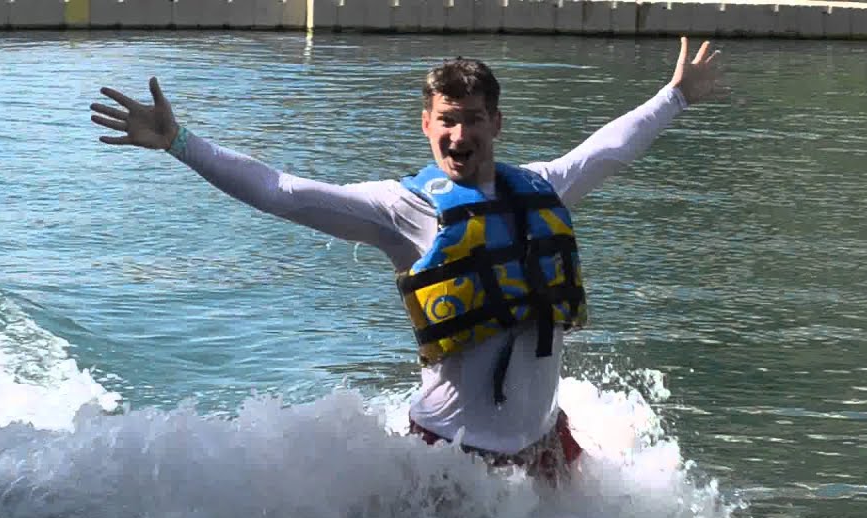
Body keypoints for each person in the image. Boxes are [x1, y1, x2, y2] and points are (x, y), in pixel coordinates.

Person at [90, 37, 724, 484]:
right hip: (449, 457)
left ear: (496, 123)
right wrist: (180, 143)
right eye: (447, 120)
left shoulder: (543, 186)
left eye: (473, 119)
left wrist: (675, 96)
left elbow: (609, 149)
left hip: (545, 447)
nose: (460, 135)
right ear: (427, 125)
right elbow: (282, 193)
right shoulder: (400, 209)